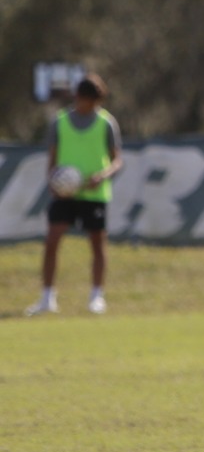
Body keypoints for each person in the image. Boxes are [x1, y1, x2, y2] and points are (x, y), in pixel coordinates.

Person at [28, 74, 123, 317]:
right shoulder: (60, 122)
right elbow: (52, 159)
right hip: (65, 195)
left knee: (97, 244)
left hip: (94, 194)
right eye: (89, 101)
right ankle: (47, 298)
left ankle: (96, 297)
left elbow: (117, 160)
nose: (92, 106)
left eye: (96, 102)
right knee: (52, 241)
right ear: (79, 97)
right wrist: (53, 180)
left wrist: (102, 176)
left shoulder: (106, 122)